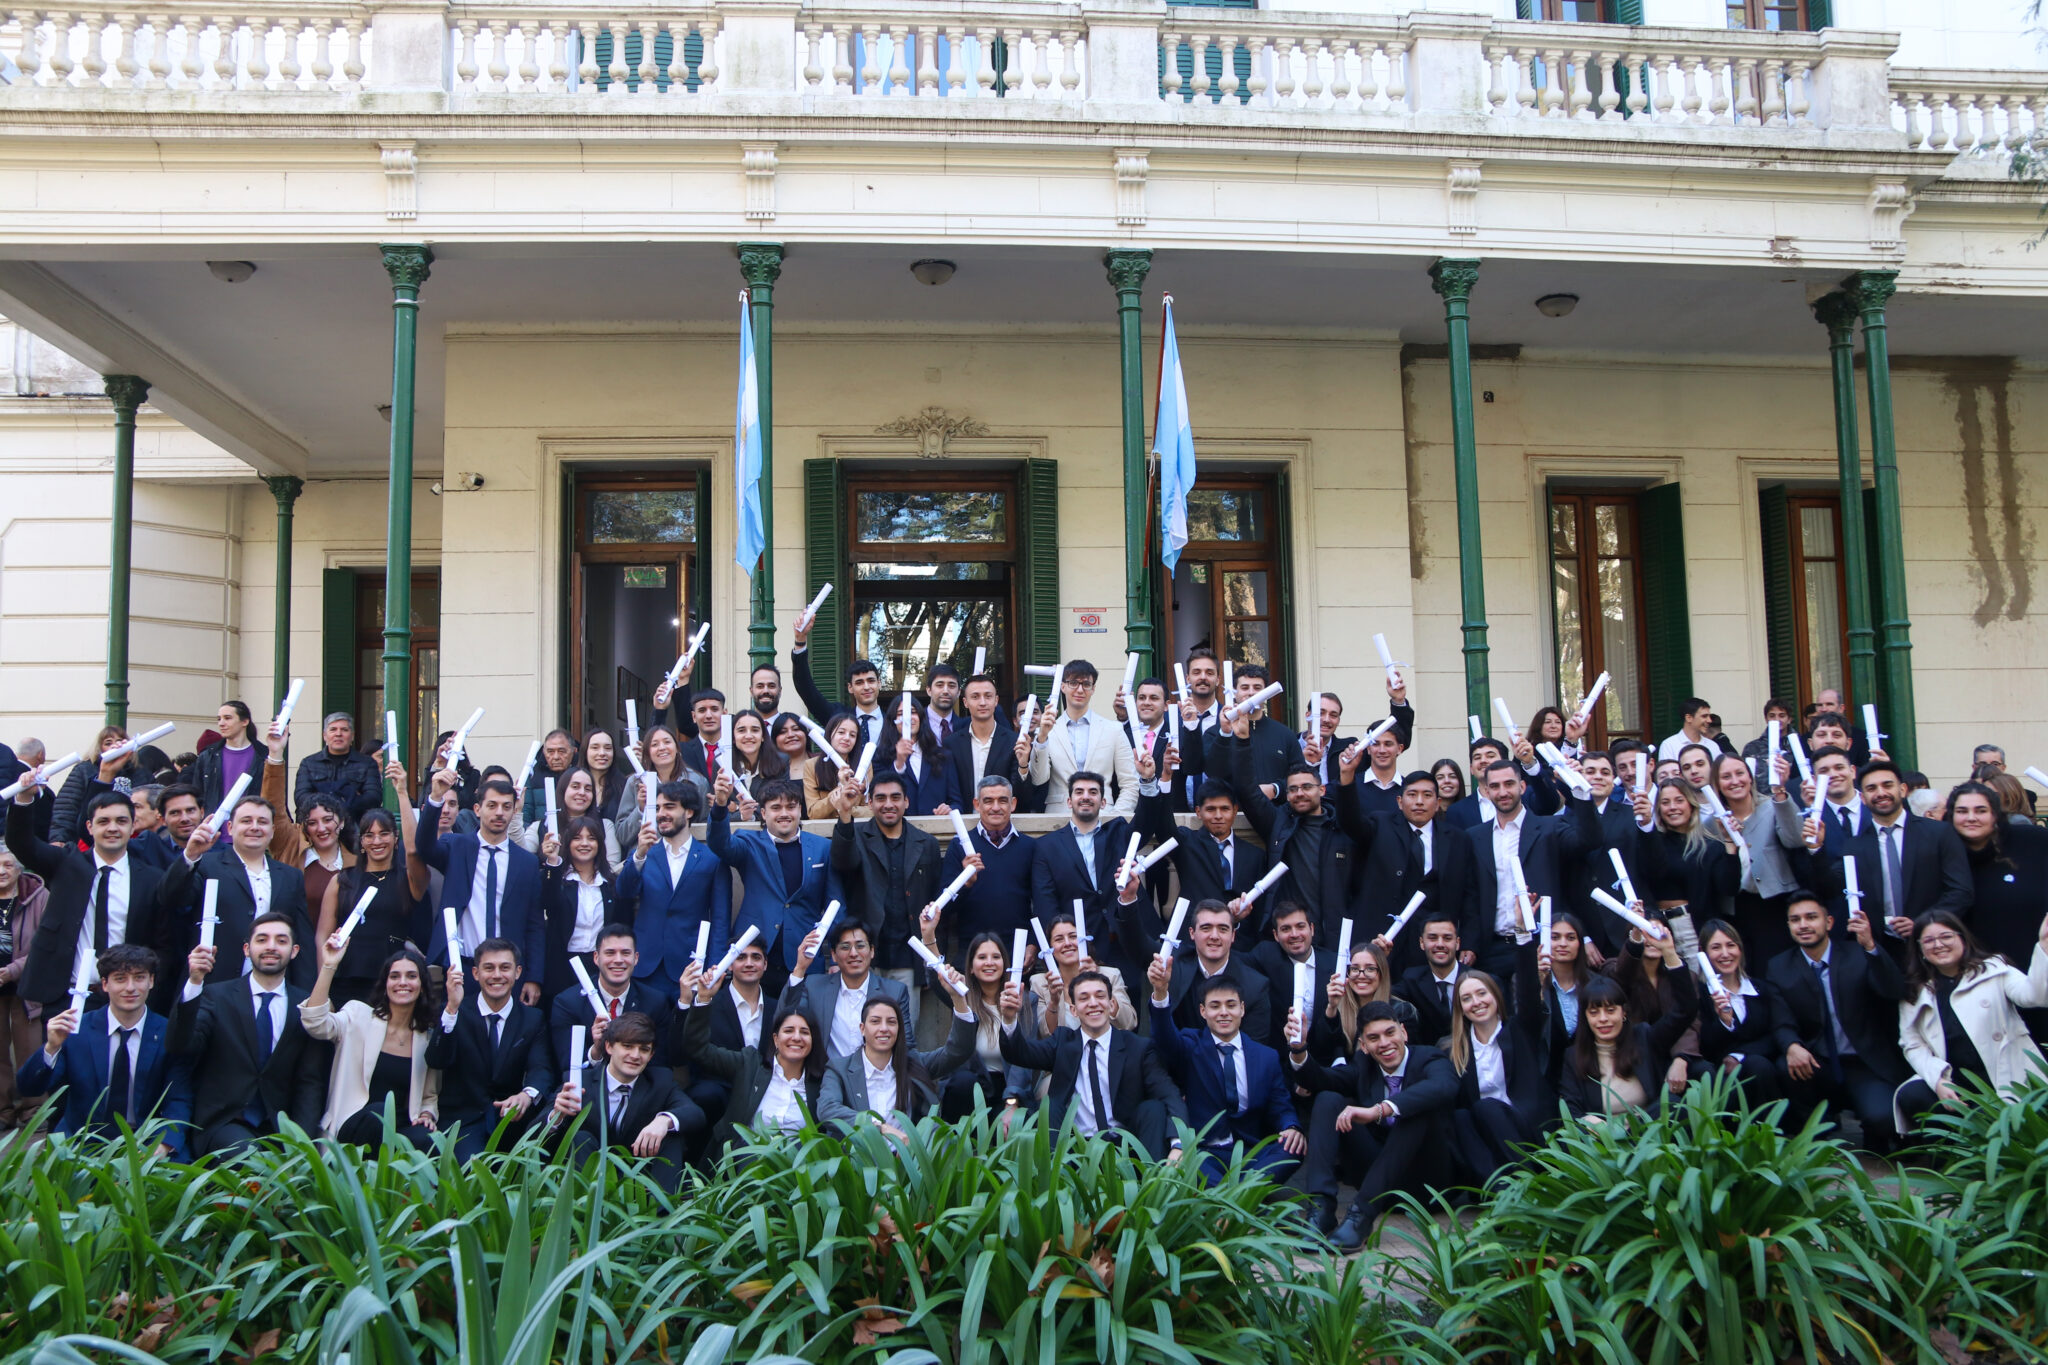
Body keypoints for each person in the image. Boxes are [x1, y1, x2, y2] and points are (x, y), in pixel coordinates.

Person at [1288, 1000, 1457, 1250]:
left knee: (1415, 1111)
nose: (1385, 1043)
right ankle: (1321, 1209)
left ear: (1403, 1032)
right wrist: (1299, 1049)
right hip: (1378, 1183)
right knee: (1328, 1099)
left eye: (1390, 1033)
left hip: (1425, 1186)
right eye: (1374, 1038)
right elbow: (1321, 1079)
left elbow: (1444, 1086)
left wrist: (1380, 1109)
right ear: (1364, 1046)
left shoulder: (1429, 1057)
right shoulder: (1364, 1066)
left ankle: (1360, 1217)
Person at [169, 912, 327, 1156]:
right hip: (225, 1123)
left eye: (281, 940)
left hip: (280, 1127)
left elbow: (310, 1082)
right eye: (262, 939)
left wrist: (302, 1145)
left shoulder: (306, 1006)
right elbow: (181, 1045)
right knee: (248, 1155)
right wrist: (194, 982)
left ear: (294, 951)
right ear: (246, 949)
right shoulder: (216, 997)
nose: (271, 946)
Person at [1765, 892, 1911, 1152]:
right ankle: (1816, 1134)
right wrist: (1791, 1045)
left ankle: (1872, 1127)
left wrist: (1870, 946)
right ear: (1788, 926)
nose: (1803, 925)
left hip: (1862, 1062)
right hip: (1817, 1062)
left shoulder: (1858, 953)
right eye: (1795, 920)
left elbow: (1893, 990)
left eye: (1811, 917)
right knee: (1786, 1065)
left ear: (1829, 922)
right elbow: (1781, 1020)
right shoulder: (1779, 966)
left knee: (1883, 1120)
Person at [15, 944, 192, 1157]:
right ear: (105, 984)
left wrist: (164, 1145)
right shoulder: (76, 1030)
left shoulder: (168, 1033)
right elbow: (29, 1087)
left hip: (147, 1141)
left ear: (151, 981)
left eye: (139, 978)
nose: (130, 987)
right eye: (120, 979)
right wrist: (51, 1047)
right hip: (84, 1143)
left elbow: (178, 1098)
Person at [9, 780, 168, 1015]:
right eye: (103, 821)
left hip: (126, 997)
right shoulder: (66, 864)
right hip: (65, 995)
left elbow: (162, 944)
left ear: (133, 825)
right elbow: (22, 843)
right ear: (89, 827)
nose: (112, 828)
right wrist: (24, 798)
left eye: (121, 821)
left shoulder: (152, 879)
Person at [996, 967, 1187, 1161]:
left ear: (1111, 1004)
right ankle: (1053, 1175)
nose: (1093, 1003)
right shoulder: (1063, 1042)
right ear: (1073, 1010)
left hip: (1126, 1147)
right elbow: (1019, 1053)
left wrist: (1178, 1145)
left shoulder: (1137, 1047)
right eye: (1084, 998)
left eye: (1100, 996)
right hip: (1075, 1148)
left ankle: (1153, 1177)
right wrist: (1009, 1019)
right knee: (1051, 1106)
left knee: (1153, 1108)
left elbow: (1168, 1094)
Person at [1145, 958, 1303, 1185]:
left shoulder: (1266, 1057)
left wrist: (1291, 1126)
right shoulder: (1191, 1045)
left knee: (1292, 1147)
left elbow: (1281, 1106)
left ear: (1242, 1009)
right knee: (1188, 1162)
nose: (1224, 1012)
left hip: (1250, 1153)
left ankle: (1228, 1195)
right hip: (1205, 1153)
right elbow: (1164, 1037)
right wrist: (1160, 992)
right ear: (1203, 1011)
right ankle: (1246, 1194)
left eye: (1231, 1005)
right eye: (1215, 1006)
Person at [1894, 909, 2048, 1136]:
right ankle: (1947, 1152)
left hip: (2001, 1078)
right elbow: (1912, 1044)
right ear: (1920, 949)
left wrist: (2043, 946)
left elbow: (2035, 996)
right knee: (1912, 1095)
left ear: (1963, 939)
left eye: (1946, 936)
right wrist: (1938, 1081)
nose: (1938, 945)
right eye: (1929, 940)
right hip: (1953, 1082)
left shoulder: (1994, 969)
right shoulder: (1916, 990)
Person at [1462, 758, 1606, 982]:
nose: (1503, 792)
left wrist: (1581, 793)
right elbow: (1471, 894)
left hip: (1543, 943)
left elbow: (1590, 840)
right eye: (1495, 786)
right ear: (1487, 792)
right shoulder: (1474, 836)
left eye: (1509, 784)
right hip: (1494, 949)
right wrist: (1470, 943)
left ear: (1522, 787)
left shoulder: (1550, 827)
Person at [1803, 759, 1972, 945]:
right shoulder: (1855, 846)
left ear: (1903, 790)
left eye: (1887, 785)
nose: (1881, 793)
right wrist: (1816, 848)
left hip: (1933, 941)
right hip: (1881, 947)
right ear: (1863, 798)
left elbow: (1960, 891)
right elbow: (1830, 889)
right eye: (1872, 788)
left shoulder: (1938, 833)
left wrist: (1924, 923)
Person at [301, 933, 440, 1152]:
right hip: (353, 1125)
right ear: (385, 984)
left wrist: (426, 1114)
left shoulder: (426, 1038)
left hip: (397, 1127)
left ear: (422, 985)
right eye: (395, 976)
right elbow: (315, 1023)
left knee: (427, 1138)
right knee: (380, 1112)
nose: (403, 982)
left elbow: (429, 1096)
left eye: (411, 976)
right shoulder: (358, 1015)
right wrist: (329, 965)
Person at [677, 959, 826, 1160]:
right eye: (789, 1030)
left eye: (805, 1032)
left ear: (813, 1040)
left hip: (800, 1168)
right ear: (776, 1038)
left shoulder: (822, 1082)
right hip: (747, 1164)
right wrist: (703, 999)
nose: (796, 1037)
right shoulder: (749, 1065)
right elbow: (698, 1049)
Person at [708, 776, 841, 996]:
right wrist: (720, 805)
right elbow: (719, 843)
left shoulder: (823, 848)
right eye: (776, 808)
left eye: (791, 806)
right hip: (755, 956)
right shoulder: (748, 843)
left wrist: (837, 956)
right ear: (763, 812)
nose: (784, 813)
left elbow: (835, 903)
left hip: (804, 956)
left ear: (800, 810)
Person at [418, 769, 545, 999]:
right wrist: (435, 798)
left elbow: (534, 923)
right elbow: (424, 847)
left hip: (507, 973)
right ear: (477, 809)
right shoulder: (456, 846)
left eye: (506, 807)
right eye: (492, 805)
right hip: (461, 966)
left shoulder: (527, 862)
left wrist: (534, 977)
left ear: (514, 811)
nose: (499, 813)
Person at [543, 1009, 701, 1191]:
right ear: (609, 1047)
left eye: (644, 1049)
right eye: (627, 1046)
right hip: (590, 1177)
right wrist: (556, 1117)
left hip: (639, 1181)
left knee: (671, 1136)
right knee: (581, 1138)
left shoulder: (660, 1080)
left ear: (651, 1055)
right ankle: (582, 1205)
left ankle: (661, 1207)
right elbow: (533, 1133)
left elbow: (694, 1113)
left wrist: (664, 1120)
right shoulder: (580, 1081)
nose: (635, 1055)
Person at [830, 770, 941, 1028]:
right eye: (880, 798)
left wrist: (931, 961)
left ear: (906, 802)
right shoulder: (856, 836)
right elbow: (842, 863)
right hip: (866, 955)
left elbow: (935, 898)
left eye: (895, 797)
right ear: (870, 803)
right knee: (862, 1030)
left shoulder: (927, 844)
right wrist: (844, 814)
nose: (888, 804)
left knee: (904, 1032)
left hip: (909, 957)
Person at [1228, 735, 1360, 951]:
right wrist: (1242, 740)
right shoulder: (1278, 823)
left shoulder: (1343, 827)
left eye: (1306, 787)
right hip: (1288, 937)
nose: (1300, 793)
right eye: (1293, 789)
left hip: (1334, 939)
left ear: (1322, 789)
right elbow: (1247, 790)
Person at [428, 939, 555, 1159]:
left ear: (517, 972)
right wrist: (451, 1008)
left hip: (512, 1118)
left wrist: (526, 1095)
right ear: (475, 973)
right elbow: (436, 1060)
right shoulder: (455, 1012)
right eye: (489, 968)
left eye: (505, 968)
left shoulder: (532, 1019)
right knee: (472, 1168)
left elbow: (541, 1068)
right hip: (463, 1120)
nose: (497, 975)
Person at [1558, 929, 1699, 1122]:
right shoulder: (1573, 1056)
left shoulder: (1644, 1037)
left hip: (1649, 1129)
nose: (1603, 1019)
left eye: (1610, 1010)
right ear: (1585, 1017)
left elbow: (1685, 1010)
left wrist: (1669, 953)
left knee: (1672, 1104)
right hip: (1603, 1135)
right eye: (1594, 1012)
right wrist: (1590, 1123)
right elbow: (1571, 1110)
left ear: (1623, 1013)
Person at [1945, 780, 2048, 1042]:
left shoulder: (2032, 840)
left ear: (1995, 815)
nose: (1971, 818)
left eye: (1981, 810)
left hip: (2037, 966)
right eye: (1962, 811)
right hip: (1979, 980)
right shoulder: (1940, 855)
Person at [1340, 767, 1471, 973]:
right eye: (1412, 794)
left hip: (1432, 943)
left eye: (1427, 795)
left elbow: (1470, 894)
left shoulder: (1457, 839)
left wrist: (1470, 942)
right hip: (1383, 938)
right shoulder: (1380, 825)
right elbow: (1350, 822)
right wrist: (1347, 778)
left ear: (1437, 803)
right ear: (1400, 802)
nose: (1419, 801)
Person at [816, 985, 979, 1137]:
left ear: (899, 1028)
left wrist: (958, 999)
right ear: (862, 1029)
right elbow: (827, 1109)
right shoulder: (839, 1069)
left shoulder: (913, 1063)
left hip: (908, 1155)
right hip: (859, 1155)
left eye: (891, 1022)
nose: (884, 1028)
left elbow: (958, 1051)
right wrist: (878, 1127)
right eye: (875, 1021)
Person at [1029, 771, 1145, 981]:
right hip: (1077, 949)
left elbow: (1149, 817)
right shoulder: (1046, 846)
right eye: (1079, 791)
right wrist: (1060, 949)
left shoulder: (1118, 834)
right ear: (1069, 801)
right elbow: (1046, 904)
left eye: (1093, 792)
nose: (1085, 797)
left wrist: (1150, 780)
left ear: (1103, 802)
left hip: (1122, 945)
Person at [618, 780, 725, 1001]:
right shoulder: (644, 854)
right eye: (657, 808)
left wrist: (714, 967)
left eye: (669, 807)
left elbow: (720, 919)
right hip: (645, 966)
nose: (661, 814)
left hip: (690, 966)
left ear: (689, 812)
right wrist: (639, 855)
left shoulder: (711, 859)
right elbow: (624, 892)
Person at [322, 794, 432, 1008]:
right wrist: (323, 983)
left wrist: (401, 793)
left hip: (393, 981)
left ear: (395, 837)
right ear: (361, 841)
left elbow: (413, 851)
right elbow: (322, 936)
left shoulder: (409, 879)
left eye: (384, 834)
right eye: (369, 835)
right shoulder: (341, 880)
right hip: (344, 980)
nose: (377, 841)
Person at [1446, 970, 1552, 1184]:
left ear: (1496, 995)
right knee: (1460, 1117)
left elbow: (1528, 996)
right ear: (1460, 1008)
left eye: (1481, 993)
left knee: (1485, 1107)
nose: (1476, 1002)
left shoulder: (1520, 1030)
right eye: (1466, 998)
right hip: (1489, 1139)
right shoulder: (1455, 1051)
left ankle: (1531, 1184)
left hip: (1527, 1129)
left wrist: (1526, 951)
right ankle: (1498, 1189)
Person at [925, 930, 1043, 1120]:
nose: (989, 962)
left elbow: (1023, 1061)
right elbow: (936, 976)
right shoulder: (962, 998)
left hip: (1008, 1089)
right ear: (971, 967)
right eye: (982, 957)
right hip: (969, 1088)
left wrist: (1012, 1101)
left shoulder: (1024, 1000)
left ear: (1005, 963)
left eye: (996, 957)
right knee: (962, 1083)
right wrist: (928, 935)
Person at [1711, 753, 1807, 965]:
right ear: (1717, 784)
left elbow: (1795, 839)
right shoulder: (1712, 824)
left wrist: (1780, 792)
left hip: (1776, 905)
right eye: (1726, 776)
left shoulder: (1773, 807)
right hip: (1737, 911)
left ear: (1750, 777)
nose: (1735, 781)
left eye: (1740, 773)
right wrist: (1729, 842)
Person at [674, 937, 772, 1143]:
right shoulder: (709, 1003)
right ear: (729, 965)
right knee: (705, 1094)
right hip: (720, 1088)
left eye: (756, 957)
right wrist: (703, 999)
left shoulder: (776, 1006)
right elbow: (689, 1048)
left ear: (765, 964)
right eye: (741, 957)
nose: (749, 963)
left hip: (765, 1088)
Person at [547, 923, 675, 1076]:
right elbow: (566, 1065)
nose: (618, 960)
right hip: (588, 1086)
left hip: (638, 1085)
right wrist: (596, 1050)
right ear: (596, 958)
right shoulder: (568, 1003)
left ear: (636, 958)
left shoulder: (655, 1002)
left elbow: (659, 1064)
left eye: (625, 953)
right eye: (610, 953)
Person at [1629, 778, 1739, 954]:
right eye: (1665, 802)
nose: (1672, 807)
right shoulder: (1652, 841)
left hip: (1694, 928)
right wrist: (1646, 823)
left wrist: (1730, 844)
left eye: (1679, 800)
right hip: (1658, 926)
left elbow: (1728, 888)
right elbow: (1653, 871)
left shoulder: (1710, 846)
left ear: (1691, 805)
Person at [779, 920, 912, 1063]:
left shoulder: (894, 992)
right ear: (833, 955)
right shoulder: (815, 987)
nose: (853, 953)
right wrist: (800, 968)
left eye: (860, 946)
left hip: (878, 1074)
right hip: (828, 1074)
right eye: (845, 947)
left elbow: (907, 1045)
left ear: (872, 951)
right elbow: (783, 1019)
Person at [935, 776, 1038, 955]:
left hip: (1018, 951)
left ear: (1013, 804)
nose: (996, 807)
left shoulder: (1030, 847)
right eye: (988, 801)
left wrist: (1033, 943)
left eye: (1002, 801)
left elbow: (1041, 902)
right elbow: (943, 910)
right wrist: (965, 882)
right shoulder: (959, 846)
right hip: (972, 953)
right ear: (977, 804)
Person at [1026, 660, 1140, 820]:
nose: (1080, 689)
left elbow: (1130, 783)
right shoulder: (1047, 731)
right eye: (1073, 683)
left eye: (1086, 684)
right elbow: (1038, 779)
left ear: (1093, 689)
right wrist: (1042, 737)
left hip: (1104, 816)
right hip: (1059, 818)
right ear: (1063, 686)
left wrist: (1115, 818)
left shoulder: (1113, 729)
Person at [1691, 919, 1783, 1111]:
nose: (1725, 953)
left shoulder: (1760, 989)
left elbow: (1774, 1034)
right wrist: (1724, 1022)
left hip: (1761, 1068)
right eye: (1716, 947)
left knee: (1759, 1065)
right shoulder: (1699, 993)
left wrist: (1738, 1056)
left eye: (1730, 945)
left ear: (1740, 949)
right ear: (1703, 953)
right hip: (1720, 1074)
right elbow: (1703, 1044)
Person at [1155, 900, 1274, 1044]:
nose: (1214, 936)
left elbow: (1254, 1047)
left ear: (1233, 935)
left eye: (1223, 929)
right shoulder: (1172, 971)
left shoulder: (1256, 985)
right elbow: (1162, 1039)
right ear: (1192, 933)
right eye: (1206, 928)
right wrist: (1160, 992)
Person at [538, 813, 624, 1007]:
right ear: (568, 843)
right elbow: (548, 902)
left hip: (599, 966)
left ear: (599, 844)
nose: (584, 843)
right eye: (577, 838)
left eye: (591, 838)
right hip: (562, 967)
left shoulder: (610, 884)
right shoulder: (557, 879)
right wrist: (552, 861)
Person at [1513, 907, 1595, 1083]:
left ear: (1580, 943)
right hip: (1544, 1076)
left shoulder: (1594, 982)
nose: (1563, 944)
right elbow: (1526, 1023)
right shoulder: (1527, 981)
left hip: (1590, 1075)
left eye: (1570, 938)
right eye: (1555, 937)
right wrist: (1538, 984)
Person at [0, 848, 50, 1128]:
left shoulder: (38, 896)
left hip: (26, 983)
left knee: (29, 1047)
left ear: (19, 868)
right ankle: (3, 1111)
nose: (2, 871)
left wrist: (11, 971)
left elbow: (44, 945)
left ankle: (33, 1109)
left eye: (8, 864)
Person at [1248, 901, 1336, 1050]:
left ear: (1312, 929)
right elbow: (1233, 960)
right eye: (1286, 929)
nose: (1294, 934)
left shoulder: (1333, 963)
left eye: (1300, 926)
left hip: (1326, 1054)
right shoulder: (1265, 956)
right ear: (1276, 935)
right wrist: (1234, 921)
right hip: (1281, 1055)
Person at [1032, 912, 1136, 1032]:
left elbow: (1128, 1023)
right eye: (1059, 939)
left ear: (1084, 940)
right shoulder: (1039, 983)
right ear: (1048, 947)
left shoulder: (1110, 975)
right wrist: (1054, 1001)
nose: (1067, 943)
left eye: (1073, 936)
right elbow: (1044, 1034)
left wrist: (1099, 982)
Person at [790, 619, 889, 740]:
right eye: (859, 682)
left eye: (871, 681)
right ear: (850, 688)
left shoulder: (894, 723)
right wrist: (800, 641)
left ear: (879, 683)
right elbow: (806, 689)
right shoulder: (837, 716)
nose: (866, 687)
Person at [50, 726, 140, 848]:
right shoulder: (84, 770)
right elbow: (66, 808)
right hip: (86, 842)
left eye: (119, 741)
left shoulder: (139, 772)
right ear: (99, 748)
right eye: (108, 743)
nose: (115, 746)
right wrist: (59, 838)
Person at [942, 673, 1024, 805]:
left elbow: (1021, 794)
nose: (982, 702)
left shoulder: (1013, 741)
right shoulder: (951, 743)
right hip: (963, 816)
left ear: (996, 700)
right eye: (975, 697)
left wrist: (1024, 766)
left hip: (1000, 815)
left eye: (988, 696)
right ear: (965, 702)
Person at [521, 767, 623, 873]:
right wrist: (517, 812)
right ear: (563, 790)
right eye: (575, 787)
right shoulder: (539, 827)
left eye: (588, 789)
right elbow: (519, 855)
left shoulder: (605, 826)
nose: (582, 792)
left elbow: (611, 868)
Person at [291, 714, 383, 821]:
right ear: (325, 735)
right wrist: (341, 801)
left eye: (344, 730)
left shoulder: (367, 763)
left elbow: (373, 798)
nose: (338, 734)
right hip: (317, 825)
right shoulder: (308, 763)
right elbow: (301, 797)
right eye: (333, 729)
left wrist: (340, 805)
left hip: (355, 825)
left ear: (352, 736)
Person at [1395, 912, 1468, 1046]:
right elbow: (1382, 995)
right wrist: (1379, 958)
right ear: (1422, 943)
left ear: (1457, 943)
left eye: (1447, 938)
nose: (1440, 944)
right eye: (1433, 938)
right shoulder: (1411, 979)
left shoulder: (1477, 980)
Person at [879, 701, 957, 817]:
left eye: (913, 712)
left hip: (937, 825)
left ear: (921, 718)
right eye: (901, 713)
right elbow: (881, 797)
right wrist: (899, 763)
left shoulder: (943, 756)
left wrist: (949, 810)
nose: (908, 718)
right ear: (893, 720)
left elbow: (957, 802)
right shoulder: (881, 756)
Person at [190, 702, 263, 813]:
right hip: (214, 822)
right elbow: (197, 795)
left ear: (245, 721)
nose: (221, 723)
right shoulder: (208, 756)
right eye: (219, 719)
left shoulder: (263, 756)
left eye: (227, 718)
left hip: (253, 820)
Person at [801, 714, 866, 820]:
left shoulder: (864, 764)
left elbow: (870, 809)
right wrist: (842, 787)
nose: (847, 738)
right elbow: (813, 813)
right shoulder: (811, 765)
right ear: (829, 734)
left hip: (855, 826)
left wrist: (847, 808)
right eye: (841, 732)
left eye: (852, 735)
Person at [517, 730, 579, 831]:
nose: (556, 757)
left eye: (562, 751)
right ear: (544, 752)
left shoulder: (583, 774)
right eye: (550, 751)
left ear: (574, 751)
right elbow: (526, 814)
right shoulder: (532, 774)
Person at [580, 729, 624, 821]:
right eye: (595, 747)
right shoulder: (572, 785)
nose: (602, 753)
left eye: (608, 748)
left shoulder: (624, 786)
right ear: (585, 751)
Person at [1656, 697, 1714, 763]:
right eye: (1704, 716)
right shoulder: (1669, 746)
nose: (1710, 720)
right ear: (1689, 718)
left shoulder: (1712, 745)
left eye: (1709, 716)